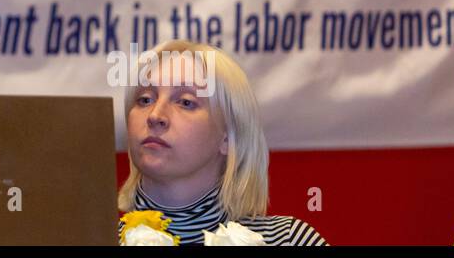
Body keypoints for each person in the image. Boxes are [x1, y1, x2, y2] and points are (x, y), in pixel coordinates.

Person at [117, 39, 326, 245]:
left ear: (227, 136)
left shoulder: (289, 241)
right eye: (145, 99)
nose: (155, 115)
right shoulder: (92, 239)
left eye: (185, 102)